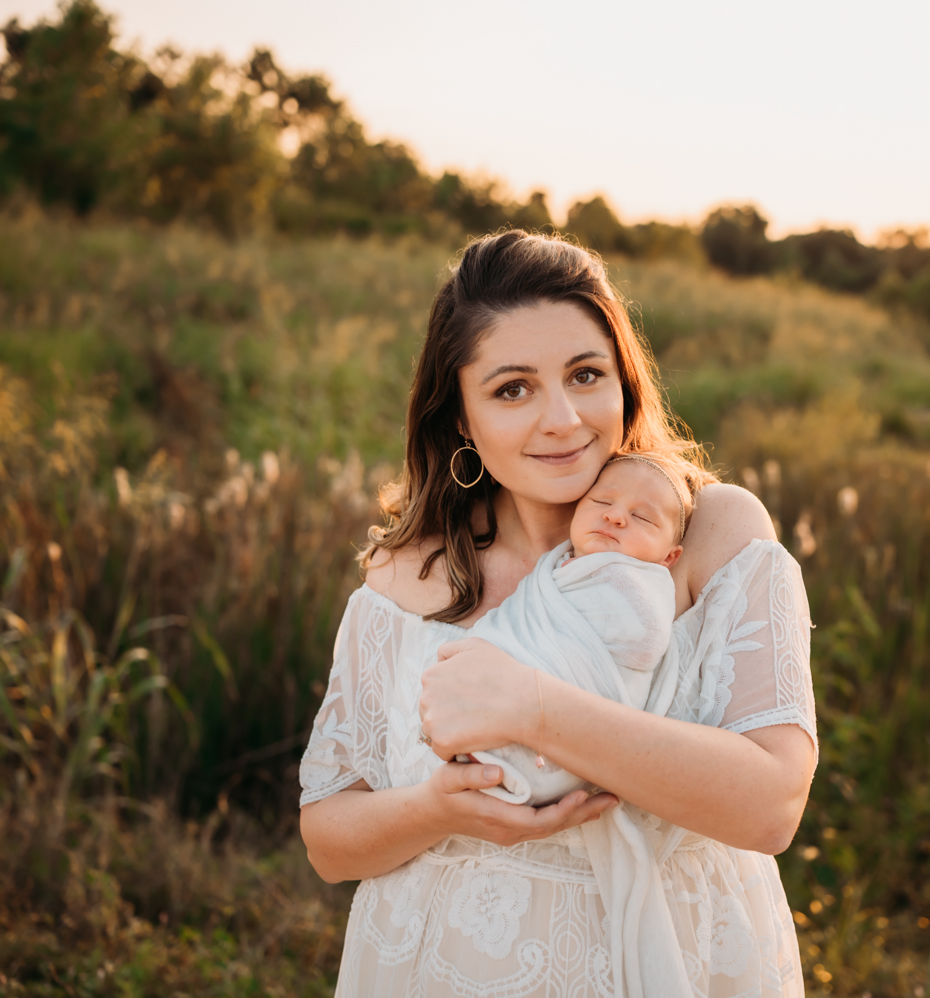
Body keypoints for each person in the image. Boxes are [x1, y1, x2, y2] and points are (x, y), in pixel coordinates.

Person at [299, 230, 817, 997]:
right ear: (462, 419)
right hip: (450, 963)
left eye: (585, 375)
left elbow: (771, 807)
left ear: (625, 385)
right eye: (513, 389)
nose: (565, 419)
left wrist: (534, 709)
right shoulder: (405, 578)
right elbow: (329, 841)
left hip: (678, 957)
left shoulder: (715, 535)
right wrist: (438, 810)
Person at [465, 452, 694, 808]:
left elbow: (642, 641)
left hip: (575, 722)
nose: (615, 516)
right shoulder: (556, 567)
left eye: (642, 518)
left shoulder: (641, 588)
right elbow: (523, 621)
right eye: (601, 501)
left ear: (669, 558)